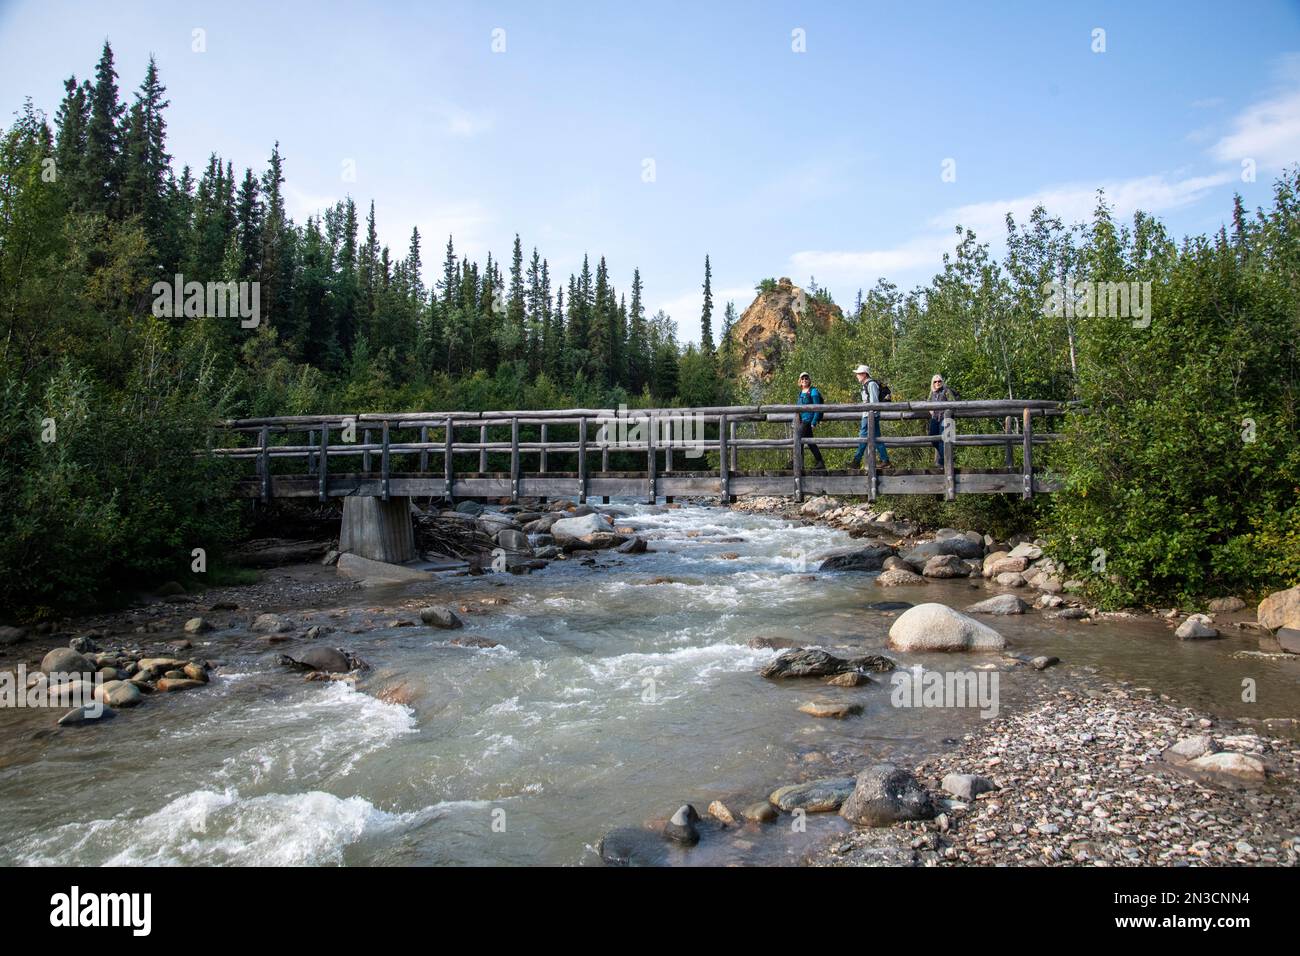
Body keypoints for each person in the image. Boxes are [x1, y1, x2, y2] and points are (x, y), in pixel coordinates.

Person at [848, 364, 890, 471]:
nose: (857, 376)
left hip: (870, 416)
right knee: (875, 438)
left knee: (863, 437)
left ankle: (856, 461)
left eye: (858, 374)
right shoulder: (866, 384)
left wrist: (872, 415)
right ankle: (885, 460)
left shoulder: (871, 385)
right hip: (868, 415)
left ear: (864, 374)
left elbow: (874, 402)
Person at [792, 371, 826, 472]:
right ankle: (820, 461)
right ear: (800, 381)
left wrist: (814, 421)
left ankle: (795, 462)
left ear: (809, 380)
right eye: (802, 379)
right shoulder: (800, 393)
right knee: (810, 442)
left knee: (798, 438)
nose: (804, 380)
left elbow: (817, 407)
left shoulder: (813, 391)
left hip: (808, 421)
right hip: (802, 421)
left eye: (806, 378)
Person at [927, 373, 961, 467]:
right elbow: (928, 402)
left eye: (939, 381)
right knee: (932, 438)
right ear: (933, 383)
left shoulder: (946, 391)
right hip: (935, 418)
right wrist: (930, 411)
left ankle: (944, 463)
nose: (938, 383)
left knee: (944, 440)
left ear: (942, 382)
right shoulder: (932, 392)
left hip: (945, 418)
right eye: (935, 381)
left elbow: (953, 403)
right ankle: (948, 458)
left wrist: (947, 412)